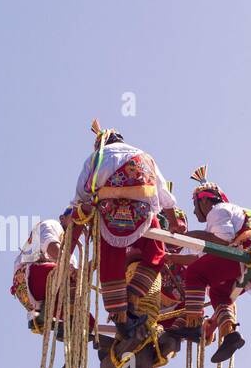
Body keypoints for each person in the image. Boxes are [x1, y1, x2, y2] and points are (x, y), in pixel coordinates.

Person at [67, 121, 183, 355]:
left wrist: (76, 223)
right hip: (142, 215)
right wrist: (173, 222)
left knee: (110, 262)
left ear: (99, 143)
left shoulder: (94, 159)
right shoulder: (144, 155)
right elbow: (163, 192)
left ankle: (121, 314)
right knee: (157, 252)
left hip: (110, 217)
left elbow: (80, 198)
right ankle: (133, 297)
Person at [179, 165, 251, 363]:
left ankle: (193, 323)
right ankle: (230, 334)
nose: (195, 212)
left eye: (195, 205)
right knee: (217, 293)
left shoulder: (219, 210)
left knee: (195, 274)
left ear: (205, 200)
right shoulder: (233, 212)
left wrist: (189, 236)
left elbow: (222, 241)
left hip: (244, 255)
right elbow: (211, 253)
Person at [10, 210, 95, 368]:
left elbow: (77, 277)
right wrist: (73, 271)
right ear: (62, 218)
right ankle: (50, 319)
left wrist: (95, 263)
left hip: (51, 289)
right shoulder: (51, 226)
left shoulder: (72, 252)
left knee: (87, 322)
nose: (80, 218)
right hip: (30, 279)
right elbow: (51, 248)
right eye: (74, 214)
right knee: (70, 278)